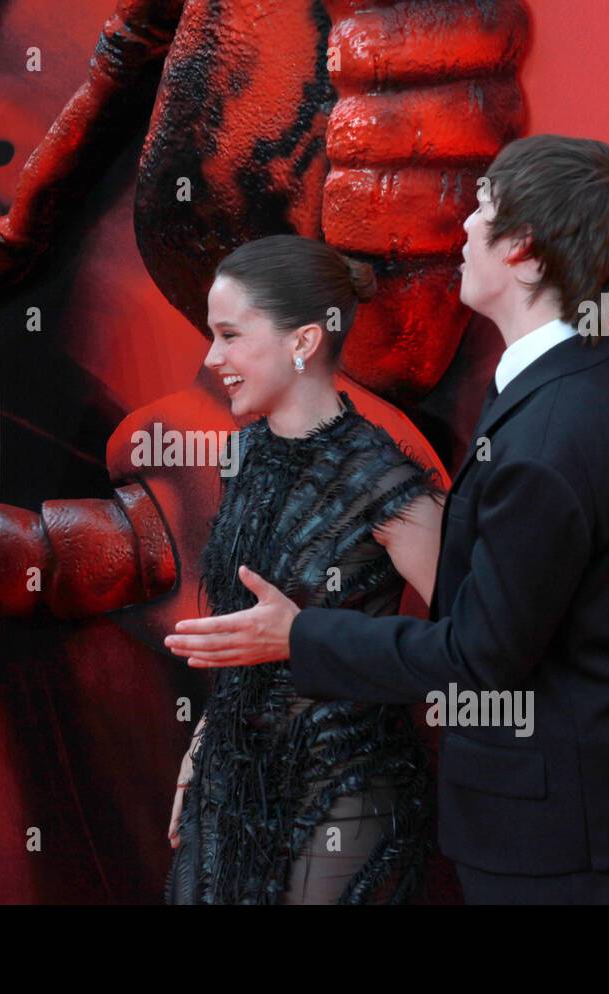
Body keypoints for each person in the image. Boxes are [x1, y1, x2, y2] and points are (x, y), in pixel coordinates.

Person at [166, 135, 609, 904]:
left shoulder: (545, 437)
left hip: (545, 833)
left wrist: (299, 635)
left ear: (522, 249)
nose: (460, 230)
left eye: (481, 210)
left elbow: (481, 654)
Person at [163, 234, 448, 904]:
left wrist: (313, 639)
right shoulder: (246, 456)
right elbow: (241, 631)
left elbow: (472, 648)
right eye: (213, 335)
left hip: (344, 790)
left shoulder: (388, 487)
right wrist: (204, 742)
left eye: (231, 335)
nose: (213, 357)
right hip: (231, 777)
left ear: (304, 342)